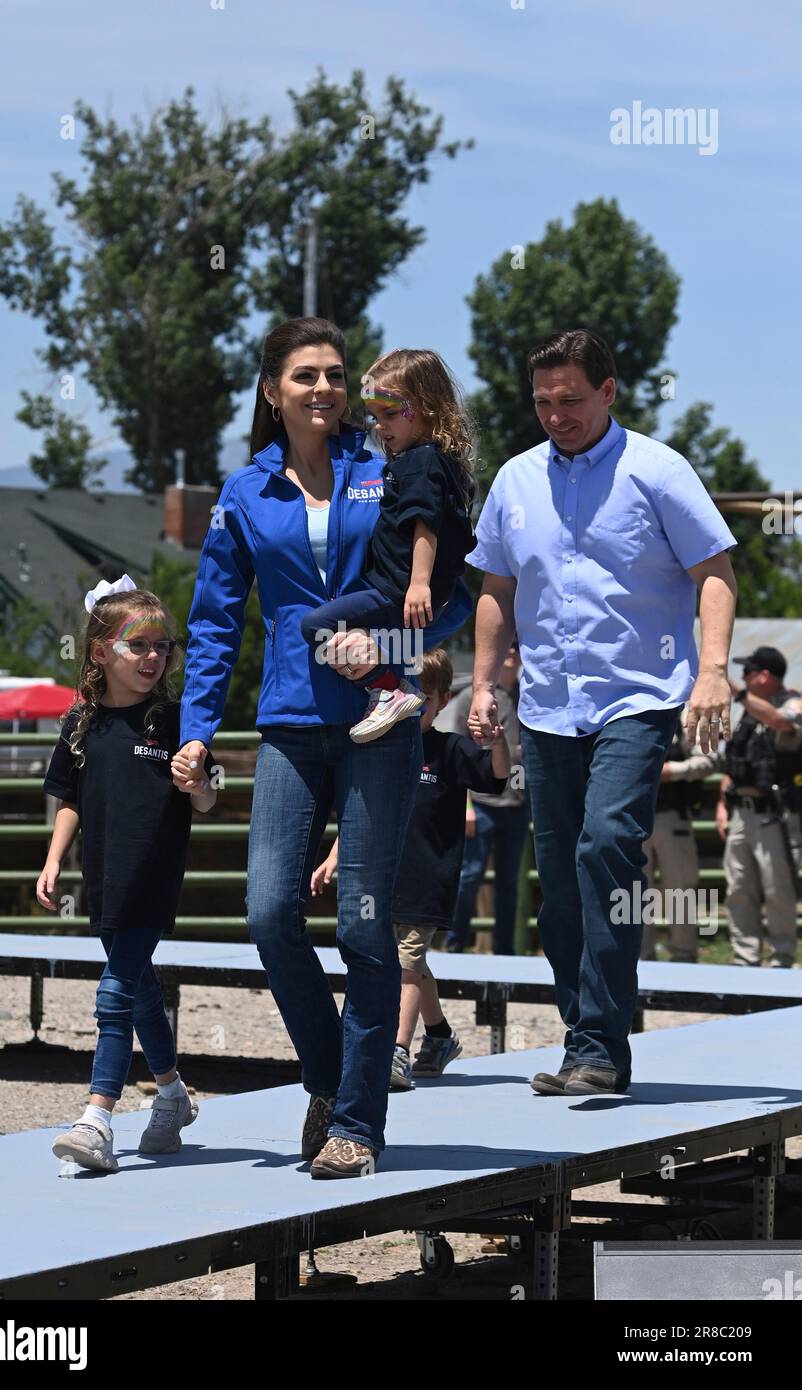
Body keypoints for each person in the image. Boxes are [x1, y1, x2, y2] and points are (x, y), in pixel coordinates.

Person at [174, 318, 472, 1178]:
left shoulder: (391, 460)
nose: (325, 389)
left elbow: (453, 583)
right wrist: (195, 731)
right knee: (269, 912)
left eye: (337, 375)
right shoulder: (243, 493)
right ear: (274, 391)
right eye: (306, 375)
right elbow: (215, 621)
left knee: (364, 926)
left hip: (382, 725)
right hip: (291, 725)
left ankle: (357, 1126)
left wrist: (389, 652)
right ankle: (332, 1073)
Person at [466, 328, 737, 1096]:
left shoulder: (657, 470)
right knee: (558, 889)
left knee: (607, 846)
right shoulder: (516, 482)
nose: (558, 415)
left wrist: (712, 672)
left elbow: (714, 572)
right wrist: (485, 684)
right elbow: (496, 589)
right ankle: (591, 1035)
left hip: (639, 697)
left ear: (609, 392)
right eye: (544, 402)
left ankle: (597, 1044)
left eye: (572, 400)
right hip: (549, 706)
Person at [38, 575, 217, 1173]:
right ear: (99, 652)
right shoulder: (81, 722)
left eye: (162, 646)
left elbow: (210, 797)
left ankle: (97, 1119)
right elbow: (69, 797)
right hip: (104, 879)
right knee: (139, 992)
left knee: (114, 993)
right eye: (137, 645)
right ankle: (171, 1096)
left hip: (152, 878)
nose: (152, 657)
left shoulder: (173, 721)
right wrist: (54, 858)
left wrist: (197, 783)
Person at [310, 648, 509, 1090]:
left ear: (442, 701)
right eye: (406, 689)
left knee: (405, 962)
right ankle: (439, 1035)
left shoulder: (450, 749)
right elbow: (359, 810)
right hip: (382, 875)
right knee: (408, 963)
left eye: (425, 695)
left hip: (429, 877)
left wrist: (497, 741)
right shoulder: (378, 748)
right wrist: (335, 855)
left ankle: (395, 1052)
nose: (414, 700)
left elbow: (497, 778)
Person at [299, 349, 478, 744]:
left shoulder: (420, 462)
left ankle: (388, 688)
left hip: (396, 590)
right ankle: (391, 682)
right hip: (399, 588)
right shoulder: (437, 460)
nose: (381, 427)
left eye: (391, 414)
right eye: (375, 417)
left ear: (428, 408)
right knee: (358, 637)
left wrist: (418, 584)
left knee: (316, 626)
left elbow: (424, 523)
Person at [717, 645, 802, 968]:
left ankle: (781, 960)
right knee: (739, 889)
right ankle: (745, 960)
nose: (743, 677)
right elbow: (735, 762)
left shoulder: (789, 702)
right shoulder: (748, 711)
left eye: (749, 671)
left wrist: (739, 696)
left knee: (778, 891)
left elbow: (782, 723)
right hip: (742, 812)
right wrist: (723, 803)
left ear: (765, 675)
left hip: (775, 815)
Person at [446, 641, 528, 954]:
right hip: (480, 804)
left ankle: (505, 955)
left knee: (509, 885)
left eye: (517, 646)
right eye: (505, 645)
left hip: (518, 805)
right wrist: (464, 805)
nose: (511, 651)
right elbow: (457, 758)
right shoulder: (472, 697)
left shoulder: (530, 695)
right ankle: (454, 947)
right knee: (469, 878)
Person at [640, 713, 719, 963]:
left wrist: (671, 771)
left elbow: (709, 761)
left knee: (680, 891)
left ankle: (684, 960)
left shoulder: (684, 714)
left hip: (672, 817)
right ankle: (638, 961)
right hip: (634, 818)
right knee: (633, 893)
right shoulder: (629, 708)